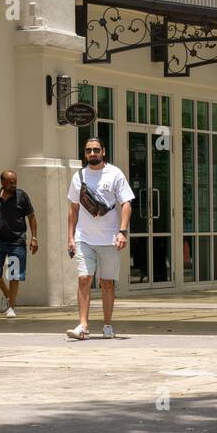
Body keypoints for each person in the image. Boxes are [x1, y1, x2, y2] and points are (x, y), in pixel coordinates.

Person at [66, 137, 134, 339]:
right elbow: (73, 209)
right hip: (84, 238)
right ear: (84, 153)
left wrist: (122, 232)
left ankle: (107, 326)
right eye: (88, 150)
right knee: (84, 279)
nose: (92, 154)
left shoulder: (115, 174)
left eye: (96, 150)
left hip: (109, 239)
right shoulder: (79, 176)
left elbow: (127, 204)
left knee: (106, 283)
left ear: (103, 151)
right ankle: (83, 326)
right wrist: (70, 237)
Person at [0, 170, 38, 319]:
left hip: (16, 242)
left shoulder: (22, 196)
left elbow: (31, 217)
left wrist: (34, 238)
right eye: (10, 182)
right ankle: (8, 295)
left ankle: (11, 307)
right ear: (2, 183)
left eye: (15, 182)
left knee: (14, 274)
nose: (13, 184)